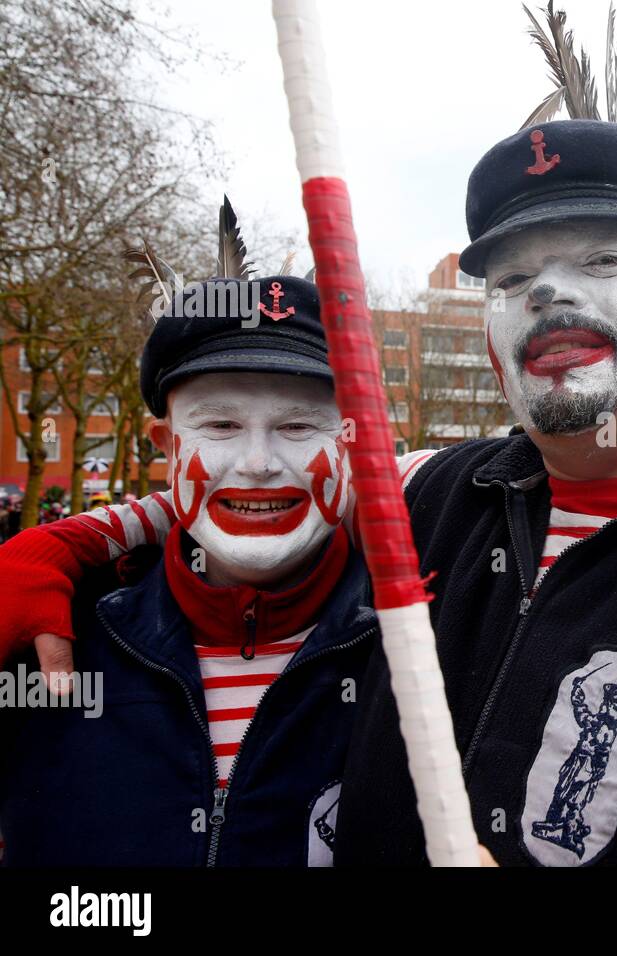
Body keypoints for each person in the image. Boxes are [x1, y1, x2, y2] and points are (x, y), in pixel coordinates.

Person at [3, 120, 617, 867]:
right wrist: (61, 546)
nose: (549, 297)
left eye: (605, 258)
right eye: (513, 275)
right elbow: (249, 485)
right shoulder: (435, 496)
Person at [0, 216, 376, 864]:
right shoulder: (51, 636)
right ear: (165, 448)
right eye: (222, 425)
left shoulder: (429, 640)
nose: (257, 463)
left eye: (297, 425)